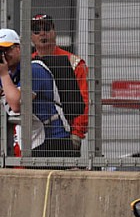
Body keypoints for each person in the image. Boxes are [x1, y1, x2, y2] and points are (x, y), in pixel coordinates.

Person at [0, 28, 73, 157]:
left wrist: (4, 75)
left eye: (8, 49)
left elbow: (17, 105)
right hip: (31, 140)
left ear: (19, 48)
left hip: (53, 141)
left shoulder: (34, 69)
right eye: (0, 52)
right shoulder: (8, 75)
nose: (4, 55)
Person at [28, 13, 88, 154]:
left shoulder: (74, 63)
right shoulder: (26, 64)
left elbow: (84, 100)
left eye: (47, 28)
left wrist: (77, 134)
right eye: (36, 30)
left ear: (55, 32)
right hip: (32, 135)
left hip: (63, 133)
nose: (42, 34)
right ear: (31, 36)